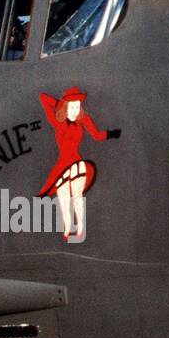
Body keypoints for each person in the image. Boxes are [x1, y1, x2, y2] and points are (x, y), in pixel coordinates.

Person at [37, 87, 121, 242]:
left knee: (76, 197)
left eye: (78, 106)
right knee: (63, 198)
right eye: (72, 106)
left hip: (76, 164)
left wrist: (112, 133)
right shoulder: (57, 121)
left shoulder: (84, 120)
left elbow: (96, 135)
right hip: (63, 165)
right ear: (65, 106)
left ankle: (80, 227)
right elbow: (43, 97)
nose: (76, 110)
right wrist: (59, 103)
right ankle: (68, 228)